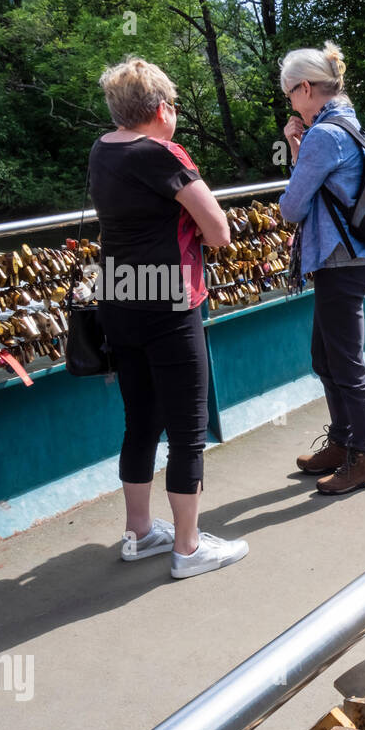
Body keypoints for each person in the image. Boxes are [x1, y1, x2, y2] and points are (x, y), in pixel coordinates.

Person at [89, 56, 249, 579]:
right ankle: (187, 547)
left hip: (118, 298)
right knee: (187, 430)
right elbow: (219, 231)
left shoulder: (102, 149)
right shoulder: (161, 152)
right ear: (161, 109)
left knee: (141, 420)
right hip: (169, 303)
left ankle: (139, 532)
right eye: (174, 106)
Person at [279, 41, 365, 495]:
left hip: (340, 261)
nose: (289, 104)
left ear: (306, 88)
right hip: (350, 257)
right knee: (326, 357)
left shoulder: (325, 135)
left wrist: (295, 146)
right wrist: (299, 144)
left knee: (344, 363)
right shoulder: (346, 124)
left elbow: (292, 206)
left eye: (290, 95)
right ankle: (345, 442)